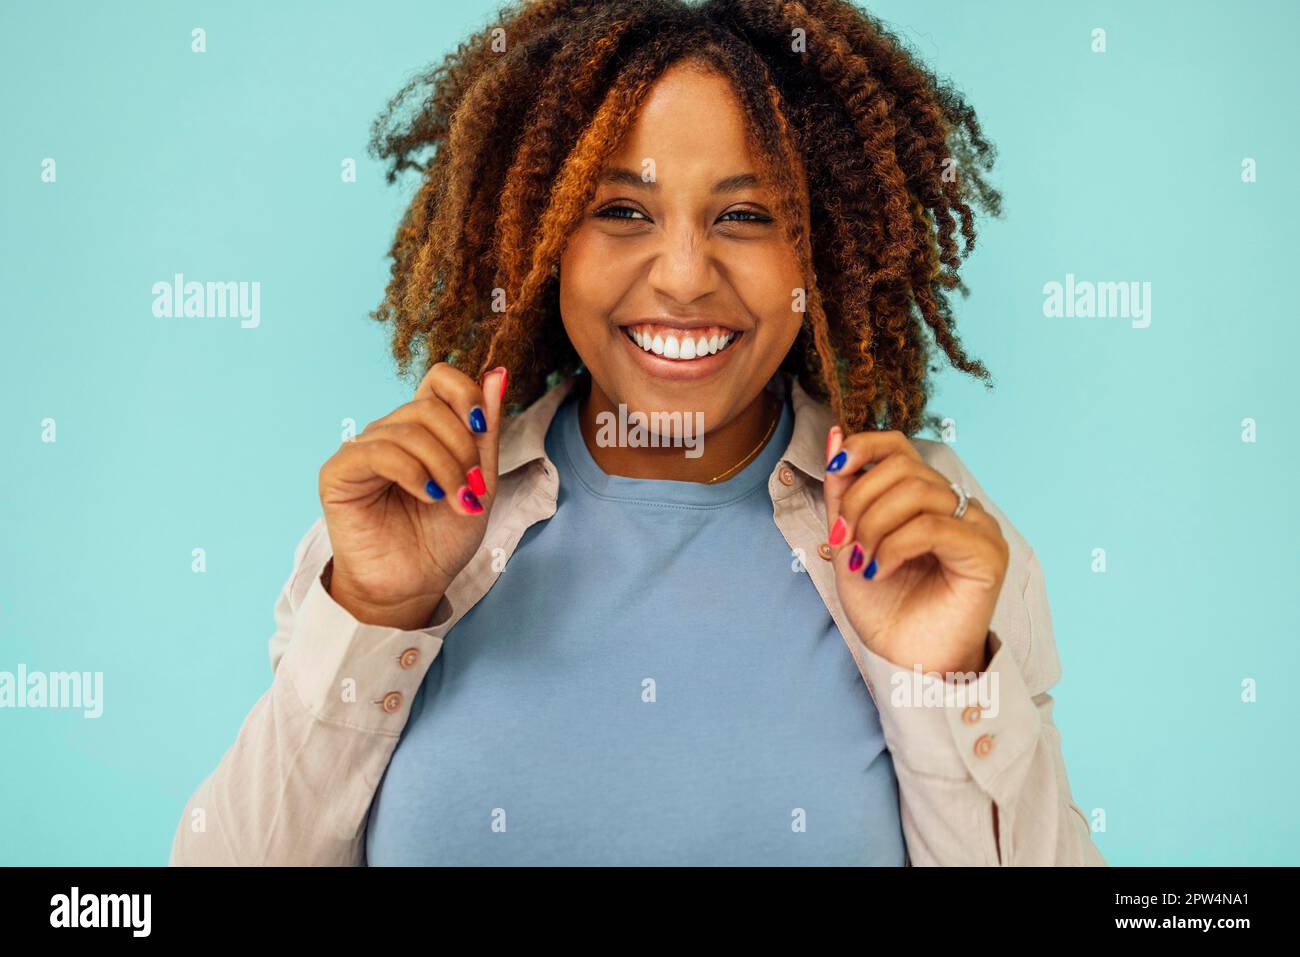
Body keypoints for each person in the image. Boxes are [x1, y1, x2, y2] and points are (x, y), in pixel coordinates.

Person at [169, 0, 1105, 866]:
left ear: (817, 247)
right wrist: (372, 612)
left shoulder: (937, 539)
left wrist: (942, 681)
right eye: (621, 210)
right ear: (541, 239)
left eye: (745, 214)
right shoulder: (410, 524)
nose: (687, 276)